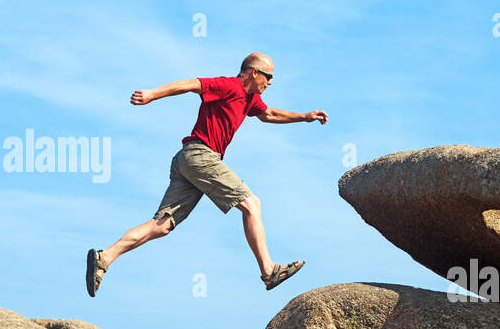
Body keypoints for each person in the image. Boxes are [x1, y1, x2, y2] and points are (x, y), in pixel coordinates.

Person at [86, 52, 328, 296]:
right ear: (254, 73)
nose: (271, 82)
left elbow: (270, 114)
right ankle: (269, 271)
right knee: (252, 205)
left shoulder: (250, 99)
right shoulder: (229, 85)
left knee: (161, 226)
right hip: (201, 155)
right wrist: (152, 94)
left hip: (187, 161)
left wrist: (305, 117)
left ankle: (104, 258)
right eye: (269, 76)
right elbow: (189, 84)